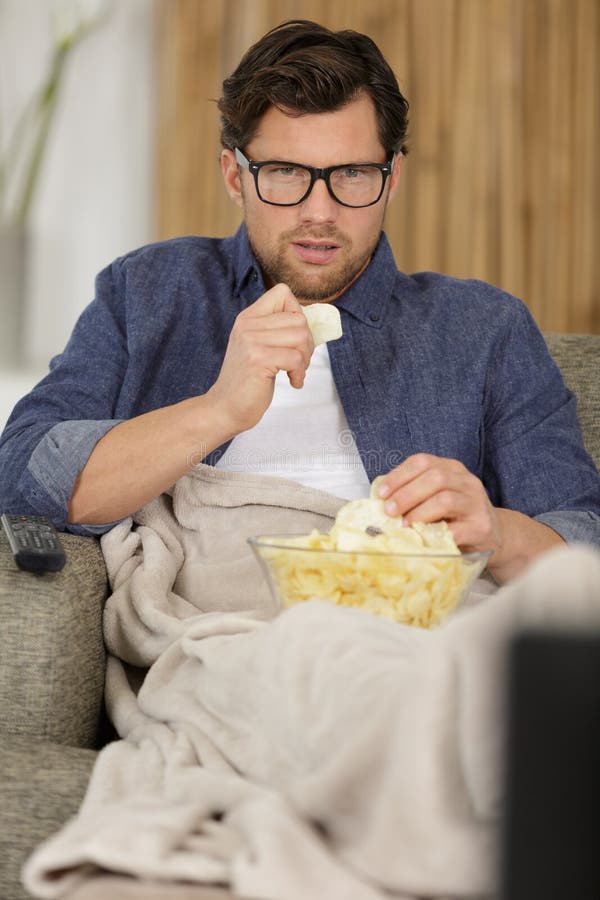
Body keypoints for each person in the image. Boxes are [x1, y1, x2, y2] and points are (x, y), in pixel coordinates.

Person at [0, 19, 598, 586]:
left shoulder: (484, 329)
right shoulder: (148, 291)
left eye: (354, 174)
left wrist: (495, 530)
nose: (320, 212)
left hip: (411, 643)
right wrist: (217, 411)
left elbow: (583, 547)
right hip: (214, 642)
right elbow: (20, 477)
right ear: (235, 178)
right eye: (286, 172)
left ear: (390, 179)